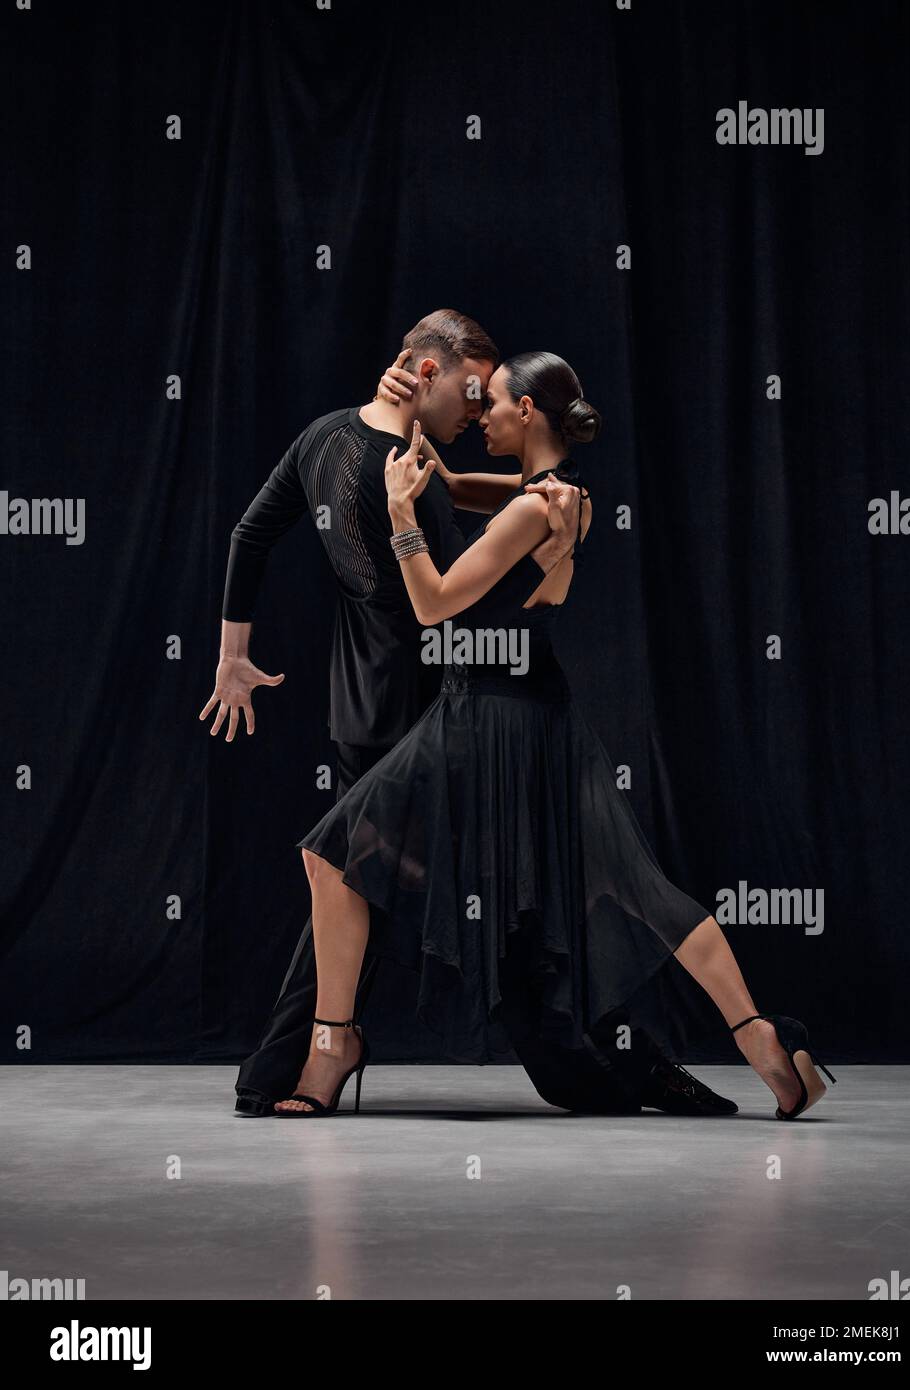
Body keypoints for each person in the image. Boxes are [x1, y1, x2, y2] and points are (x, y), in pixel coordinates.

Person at [267, 350, 837, 1120]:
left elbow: (435, 606)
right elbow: (463, 487)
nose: (481, 415)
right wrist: (412, 433)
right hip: (542, 716)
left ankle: (331, 1045)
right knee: (635, 889)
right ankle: (760, 1037)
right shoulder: (563, 496)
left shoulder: (536, 508)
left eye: (491, 403)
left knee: (333, 854)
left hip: (485, 718)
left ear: (527, 411)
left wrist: (402, 517)